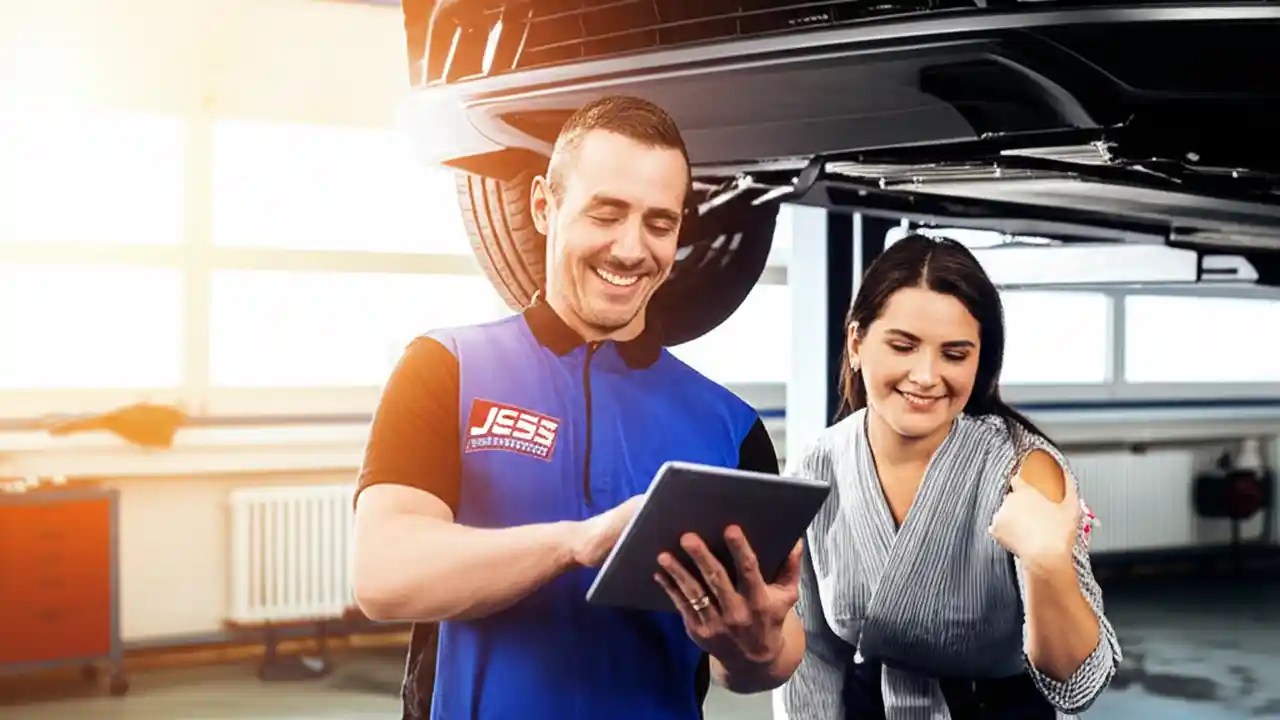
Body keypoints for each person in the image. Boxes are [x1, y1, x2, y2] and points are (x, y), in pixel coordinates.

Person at [351, 94, 807, 720]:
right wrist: (578, 544)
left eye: (659, 223)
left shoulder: (728, 428)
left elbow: (771, 656)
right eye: (607, 213)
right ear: (545, 205)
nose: (630, 249)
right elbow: (385, 576)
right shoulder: (445, 368)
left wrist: (752, 649)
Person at [777, 234, 1123, 719]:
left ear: (981, 360)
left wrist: (1048, 563)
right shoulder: (818, 465)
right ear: (857, 343)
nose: (925, 375)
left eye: (954, 355)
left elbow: (1079, 684)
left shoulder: (1023, 470)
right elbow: (811, 653)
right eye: (903, 346)